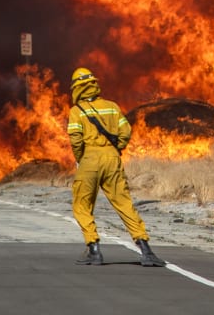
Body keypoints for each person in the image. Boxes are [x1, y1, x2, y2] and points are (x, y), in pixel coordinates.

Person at [66, 66, 165, 267]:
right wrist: (115, 148)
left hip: (90, 159)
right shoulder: (112, 106)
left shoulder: (76, 112)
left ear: (77, 88)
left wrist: (80, 159)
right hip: (112, 159)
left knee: (82, 205)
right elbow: (125, 131)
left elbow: (76, 139)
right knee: (124, 203)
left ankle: (93, 248)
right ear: (94, 84)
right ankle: (145, 249)